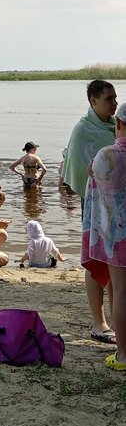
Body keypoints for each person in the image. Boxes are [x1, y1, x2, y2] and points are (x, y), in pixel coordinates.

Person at [65, 78, 118, 343]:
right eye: (109, 99)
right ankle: (99, 323)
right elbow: (75, 169)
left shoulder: (116, 127)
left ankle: (119, 320)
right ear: (93, 101)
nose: (115, 103)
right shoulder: (82, 130)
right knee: (97, 260)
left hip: (119, 206)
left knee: (119, 263)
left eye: (116, 98)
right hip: (95, 206)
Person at [82, 100, 126, 370]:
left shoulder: (107, 155)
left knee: (121, 290)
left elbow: (93, 180)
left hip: (117, 237)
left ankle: (123, 355)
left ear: (118, 124)